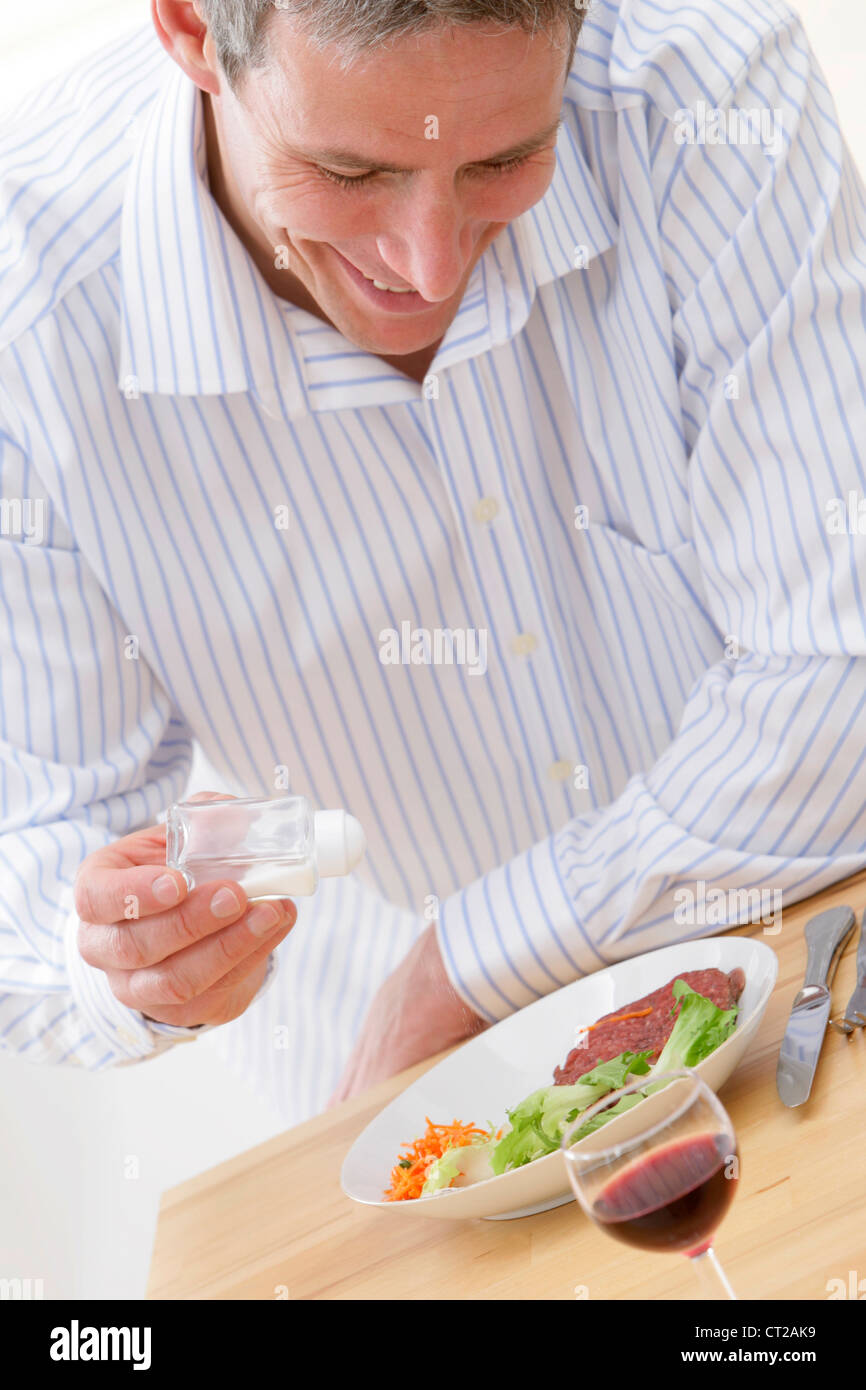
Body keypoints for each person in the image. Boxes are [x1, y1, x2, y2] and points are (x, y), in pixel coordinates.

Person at [1, 0, 864, 1122]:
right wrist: (122, 958)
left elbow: (841, 670)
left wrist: (472, 956)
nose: (429, 262)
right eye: (349, 173)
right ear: (190, 29)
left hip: (809, 972)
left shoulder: (700, 84)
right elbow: (35, 845)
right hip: (413, 1106)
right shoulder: (30, 306)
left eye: (505, 158)